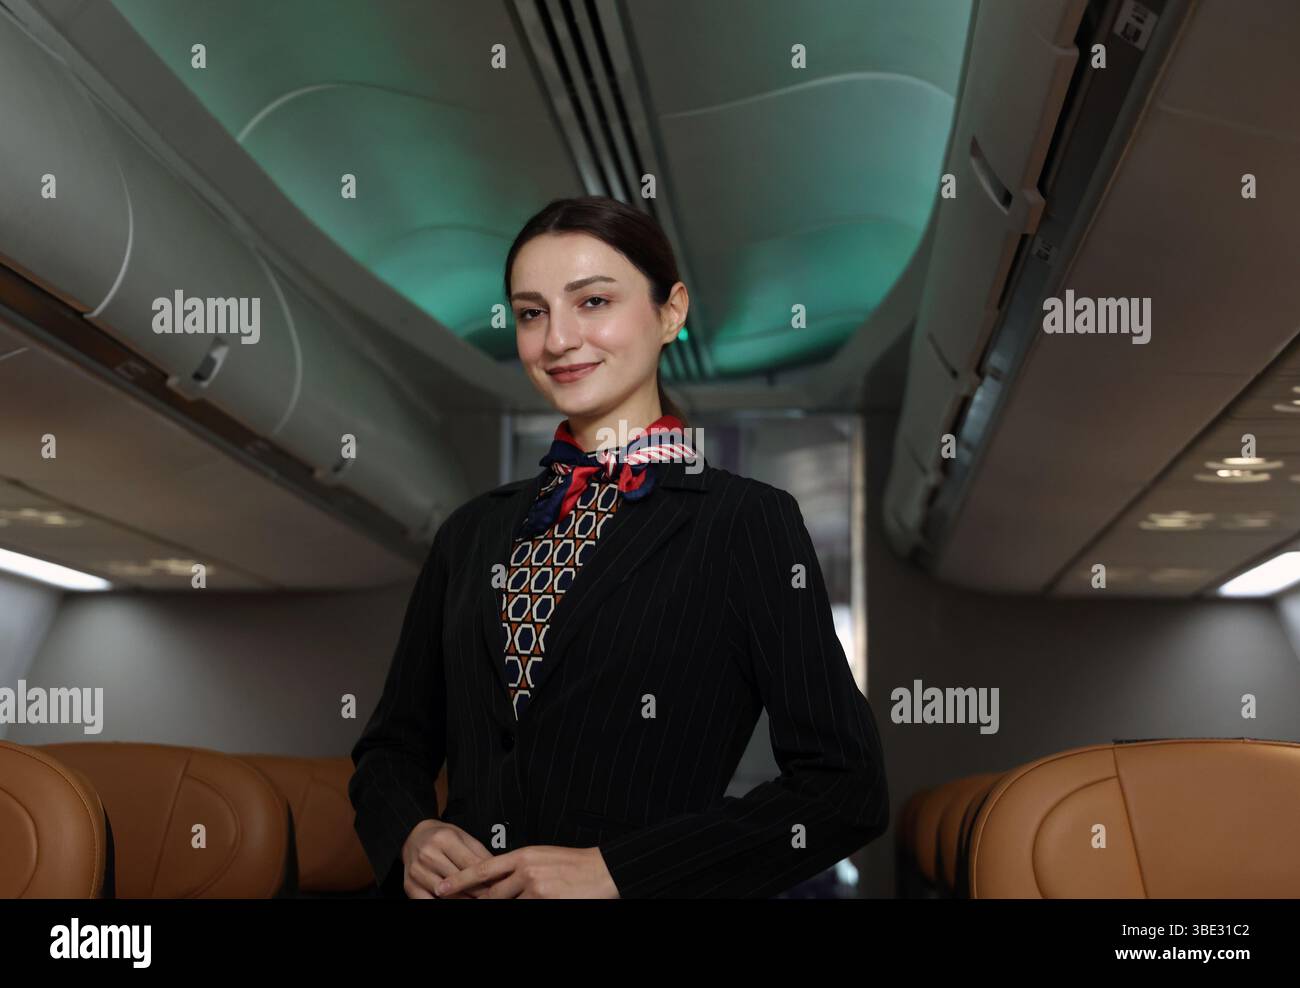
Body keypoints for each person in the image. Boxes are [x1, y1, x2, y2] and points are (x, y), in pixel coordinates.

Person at [348, 194, 889, 898]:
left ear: (671, 312)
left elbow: (844, 790)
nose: (558, 340)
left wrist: (618, 871)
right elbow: (393, 747)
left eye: (593, 302)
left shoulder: (744, 523)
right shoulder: (471, 531)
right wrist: (412, 834)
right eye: (532, 313)